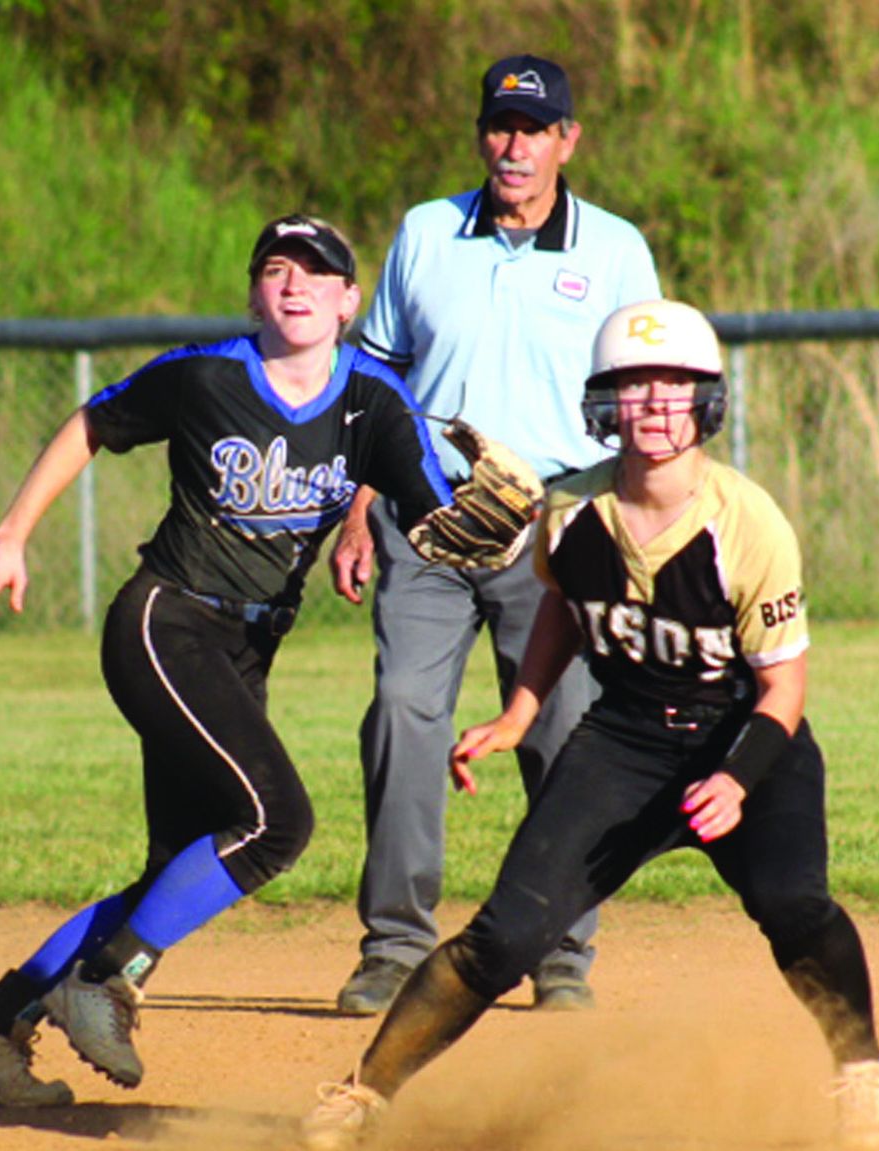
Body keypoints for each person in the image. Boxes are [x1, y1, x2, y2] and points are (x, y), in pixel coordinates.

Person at [300, 300, 879, 1151]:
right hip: (623, 740)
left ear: (706, 401)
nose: (654, 403)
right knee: (501, 940)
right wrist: (519, 710)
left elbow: (784, 684)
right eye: (633, 386)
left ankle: (863, 1074)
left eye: (673, 385)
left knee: (791, 902)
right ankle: (362, 1096)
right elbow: (559, 608)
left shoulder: (747, 522)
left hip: (741, 739)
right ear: (604, 404)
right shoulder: (572, 511)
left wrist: (735, 778)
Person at [0, 214, 466, 1107]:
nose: (294, 284)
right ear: (255, 292)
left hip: (247, 647)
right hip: (163, 624)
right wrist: (8, 538)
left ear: (348, 301)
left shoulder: (373, 400)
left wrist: (493, 526)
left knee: (176, 867)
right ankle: (103, 981)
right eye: (275, 268)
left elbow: (435, 512)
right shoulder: (205, 372)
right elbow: (92, 425)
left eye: (315, 271)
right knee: (276, 821)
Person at [328, 52, 661, 1017]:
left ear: (569, 140)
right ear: (482, 133)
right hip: (426, 514)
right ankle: (394, 945)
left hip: (556, 523)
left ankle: (561, 949)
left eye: (535, 128)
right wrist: (357, 511)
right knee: (402, 711)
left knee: (564, 728)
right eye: (500, 126)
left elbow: (640, 394)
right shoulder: (428, 233)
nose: (514, 146)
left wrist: (625, 519)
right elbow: (377, 381)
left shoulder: (614, 249)